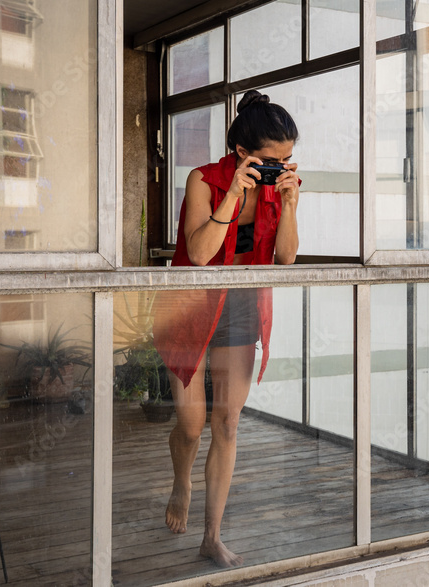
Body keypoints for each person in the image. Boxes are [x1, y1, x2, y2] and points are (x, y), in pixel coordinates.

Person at [154, 89, 300, 568]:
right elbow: (199, 254)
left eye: (287, 160)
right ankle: (181, 482)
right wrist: (235, 194)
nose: (279, 169)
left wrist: (290, 204)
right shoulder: (204, 180)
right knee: (191, 424)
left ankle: (211, 536)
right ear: (241, 153)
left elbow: (285, 258)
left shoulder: (278, 191)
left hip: (240, 308)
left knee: (228, 424)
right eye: (271, 161)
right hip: (189, 308)